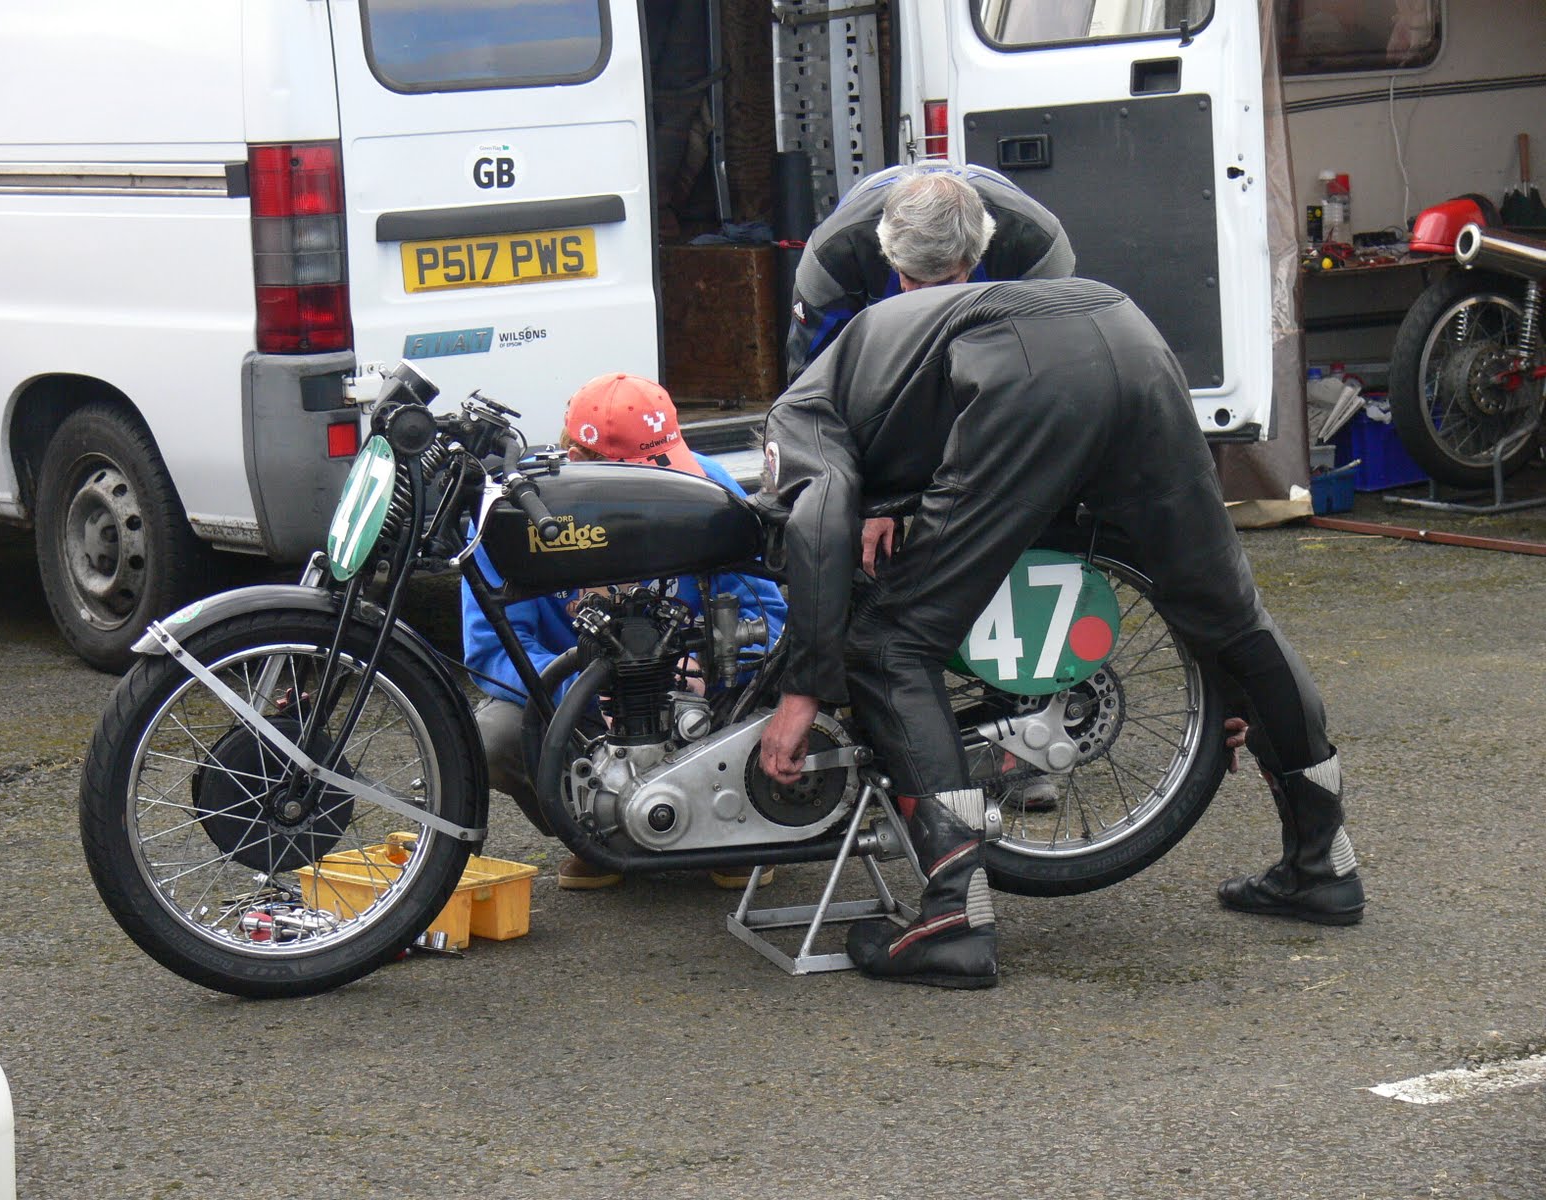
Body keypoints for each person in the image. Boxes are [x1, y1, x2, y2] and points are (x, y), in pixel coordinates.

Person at [753, 276, 1366, 990]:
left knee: (892, 643)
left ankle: (953, 915)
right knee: (1230, 615)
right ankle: (1324, 864)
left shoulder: (796, 411)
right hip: (1126, 327)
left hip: (1025, 366)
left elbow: (819, 521)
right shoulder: (889, 349)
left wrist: (802, 692)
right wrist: (1229, 686)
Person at [463, 372, 787, 891]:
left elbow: (772, 622)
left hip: (700, 708)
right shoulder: (510, 513)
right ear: (580, 460)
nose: (665, 482)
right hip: (588, 718)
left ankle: (738, 829)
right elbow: (490, 651)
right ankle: (597, 830)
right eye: (642, 472)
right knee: (494, 735)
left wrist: (717, 668)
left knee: (784, 692)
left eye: (667, 465)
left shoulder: (707, 483)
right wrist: (581, 691)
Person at [783, 163, 1075, 381]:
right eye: (911, 279)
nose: (927, 302)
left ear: (975, 256)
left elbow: (1061, 367)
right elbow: (808, 384)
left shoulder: (1037, 247)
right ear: (888, 253)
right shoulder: (833, 256)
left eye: (945, 282)